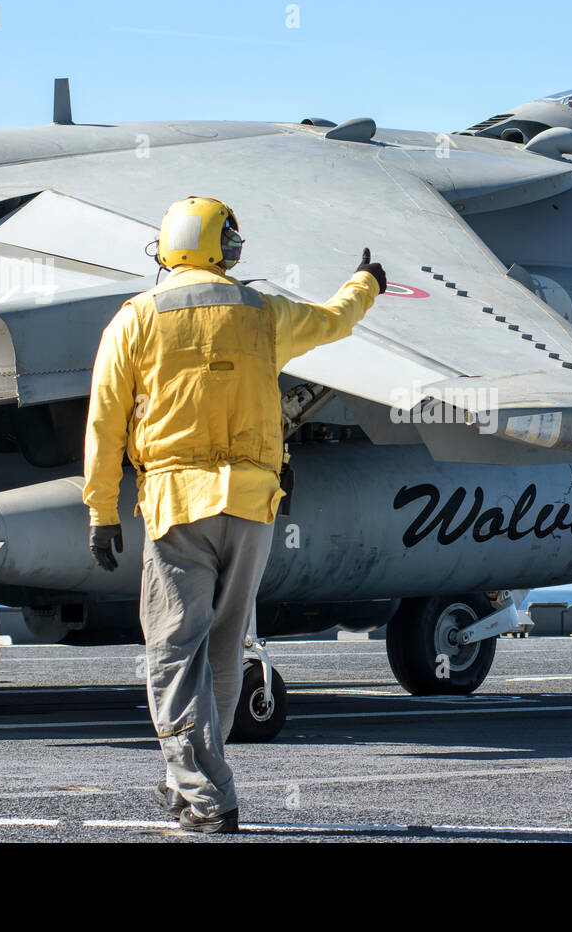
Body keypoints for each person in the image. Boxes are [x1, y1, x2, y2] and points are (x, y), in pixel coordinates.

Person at [82, 196, 385, 833]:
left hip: (175, 505)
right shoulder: (262, 310)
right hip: (252, 507)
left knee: (171, 654)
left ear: (168, 249)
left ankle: (206, 795)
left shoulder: (135, 318)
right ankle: (186, 784)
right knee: (223, 647)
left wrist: (101, 511)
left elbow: (105, 420)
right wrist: (367, 283)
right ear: (225, 247)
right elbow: (334, 321)